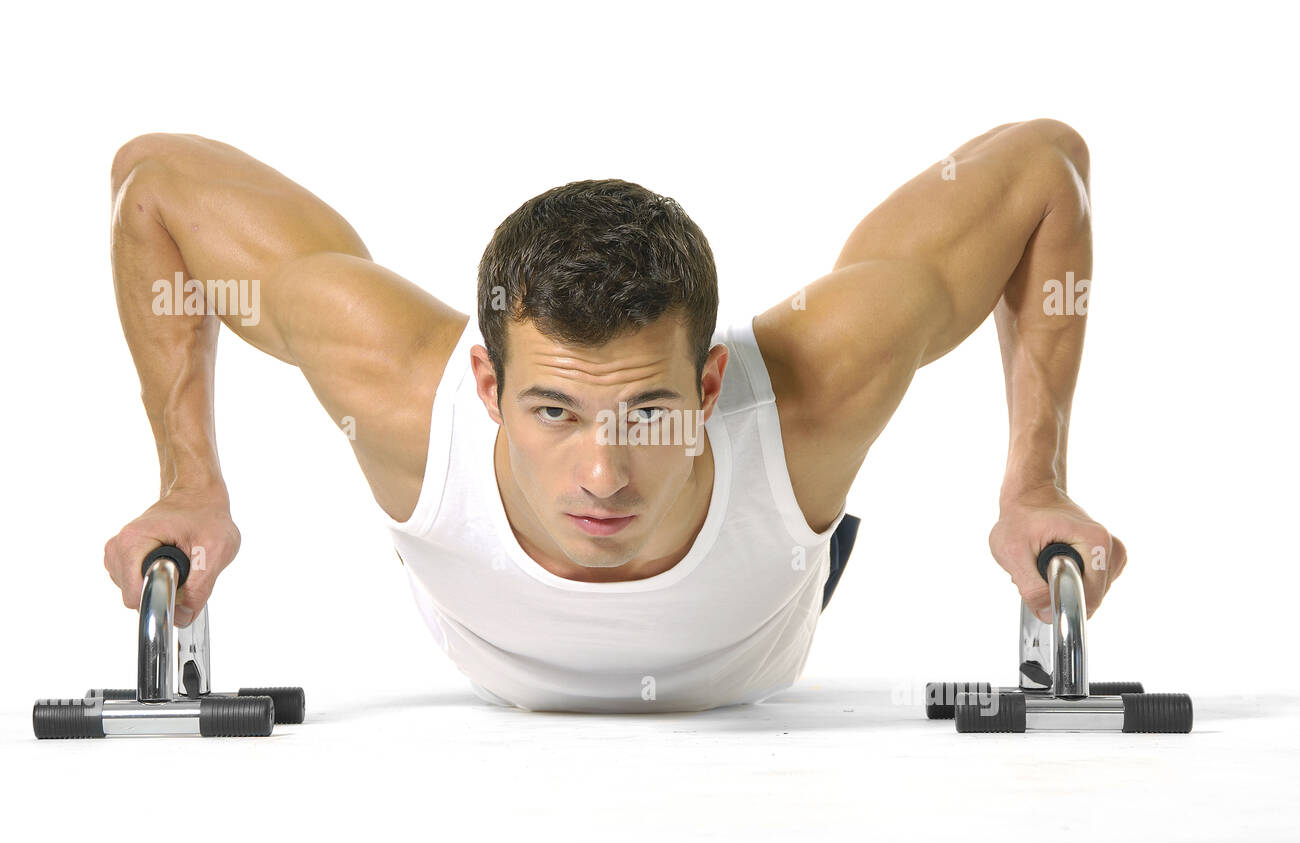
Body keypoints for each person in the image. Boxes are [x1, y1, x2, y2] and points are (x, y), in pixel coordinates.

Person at [102, 119, 1126, 712]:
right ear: (488, 389)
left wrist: (1033, 479)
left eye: (649, 411)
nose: (604, 474)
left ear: (710, 385)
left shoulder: (808, 399)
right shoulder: (400, 393)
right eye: (553, 409)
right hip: (481, 628)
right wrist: (188, 479)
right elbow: (154, 186)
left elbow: (1045, 168)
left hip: (763, 605)